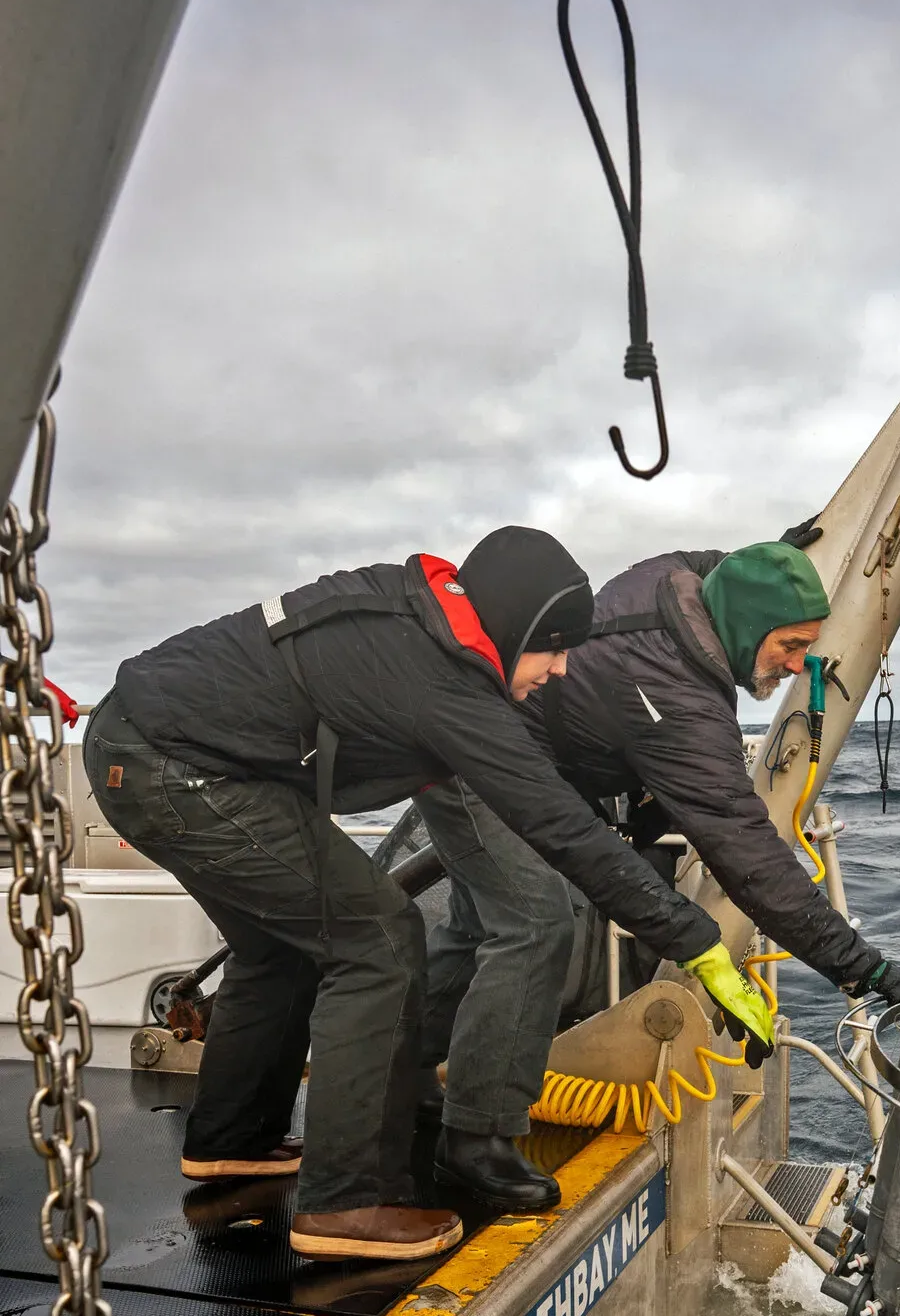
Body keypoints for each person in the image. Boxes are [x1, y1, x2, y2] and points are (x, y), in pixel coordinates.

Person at [87, 527, 773, 1263]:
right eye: (554, 648)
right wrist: (698, 944)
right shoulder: (447, 686)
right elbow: (569, 832)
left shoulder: (423, 621)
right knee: (377, 940)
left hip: (140, 741)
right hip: (176, 768)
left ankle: (231, 1142)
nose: (560, 668)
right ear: (521, 630)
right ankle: (343, 1204)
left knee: (277, 943)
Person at [417, 529, 900, 1217]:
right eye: (789, 646)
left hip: (497, 743)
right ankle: (473, 1138)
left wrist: (774, 557)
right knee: (534, 923)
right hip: (485, 756)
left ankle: (413, 1075)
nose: (799, 667)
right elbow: (750, 861)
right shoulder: (675, 693)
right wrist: (864, 971)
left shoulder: (679, 584)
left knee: (475, 922)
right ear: (743, 625)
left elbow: (714, 568)